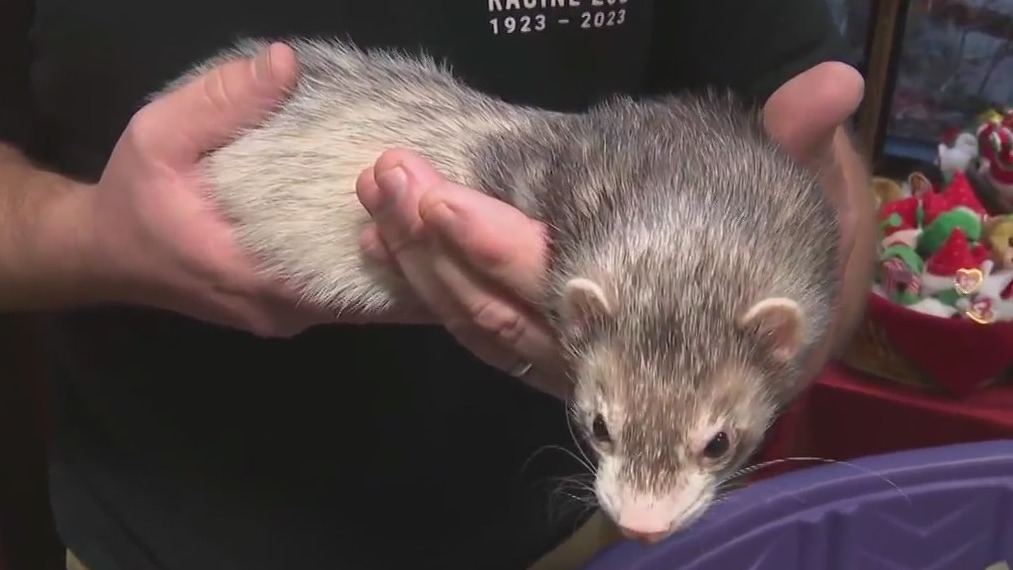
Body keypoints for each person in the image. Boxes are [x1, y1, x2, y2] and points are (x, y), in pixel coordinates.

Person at [0, 0, 875, 569]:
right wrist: (93, 238)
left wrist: (823, 234)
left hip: (560, 550)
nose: (651, 510)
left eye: (713, 448)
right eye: (604, 434)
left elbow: (823, 182)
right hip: (151, 540)